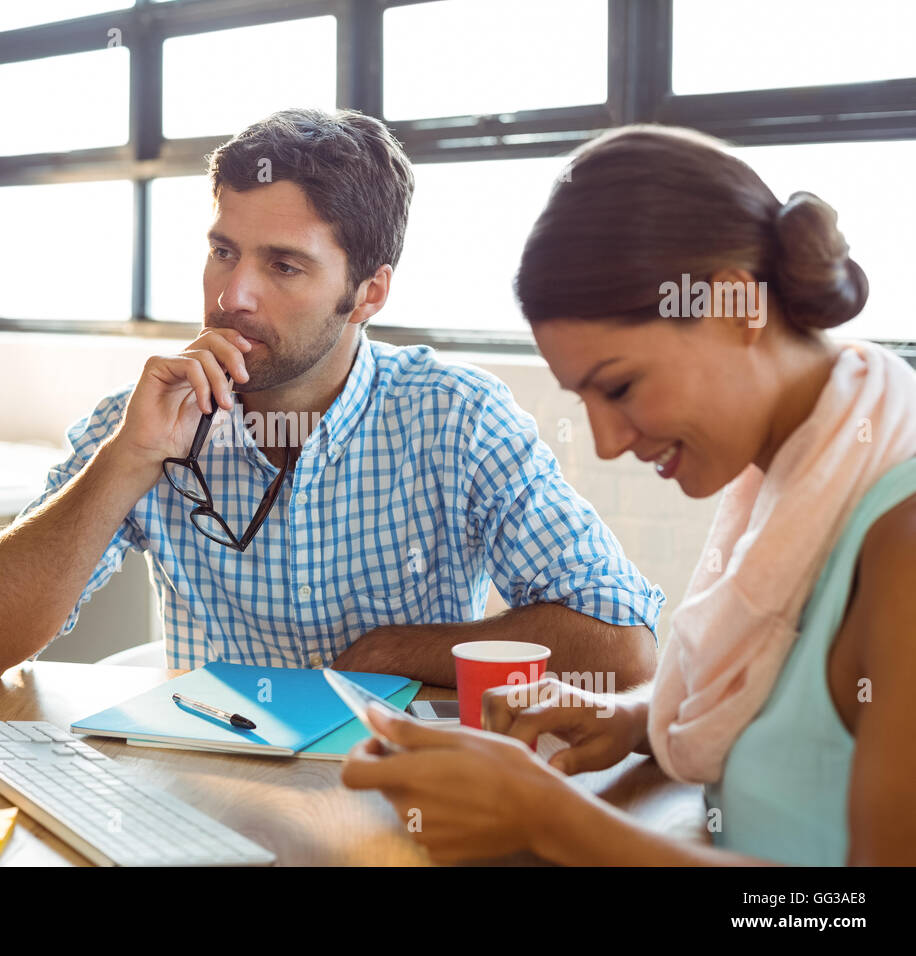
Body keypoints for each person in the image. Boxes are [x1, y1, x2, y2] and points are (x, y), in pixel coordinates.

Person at [341, 125, 916, 866]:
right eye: (585, 399)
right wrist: (631, 716)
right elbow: (799, 728)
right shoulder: (798, 484)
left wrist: (552, 820)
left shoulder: (900, 546)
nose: (609, 442)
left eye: (620, 387)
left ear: (739, 306)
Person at [0, 108, 663, 687]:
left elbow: (622, 646)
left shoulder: (457, 419)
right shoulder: (143, 419)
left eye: (283, 266)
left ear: (367, 294)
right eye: (224, 251)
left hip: (397, 802)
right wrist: (127, 460)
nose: (232, 296)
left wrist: (390, 652)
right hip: (204, 798)